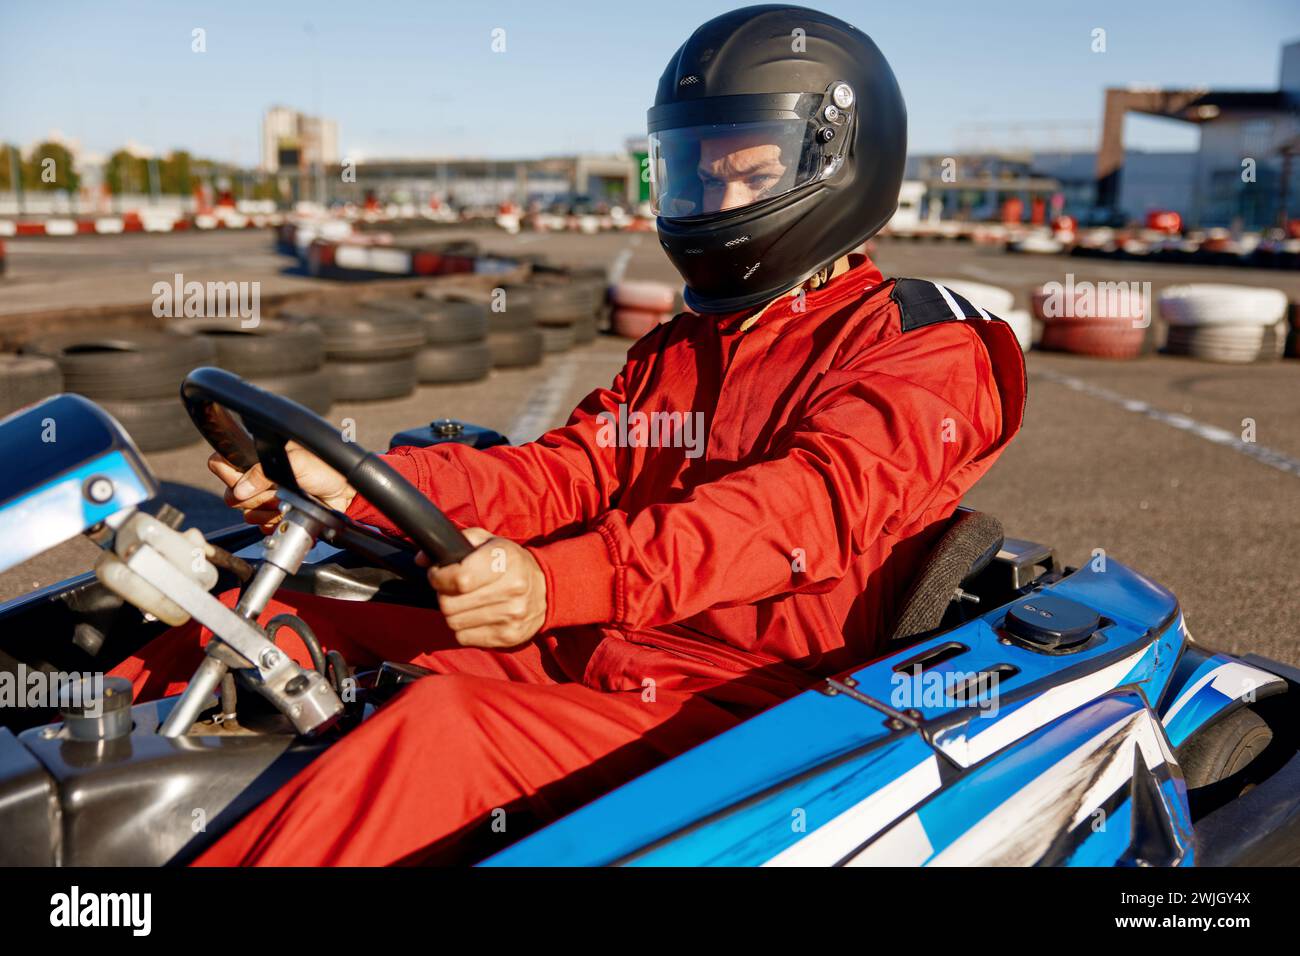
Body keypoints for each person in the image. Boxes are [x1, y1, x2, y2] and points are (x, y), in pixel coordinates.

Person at [110, 4, 1026, 865]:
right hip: (588, 653)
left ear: (840, 163)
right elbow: (564, 475)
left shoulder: (923, 345)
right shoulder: (684, 346)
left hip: (742, 712)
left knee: (436, 739)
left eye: (748, 172)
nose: (715, 193)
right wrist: (353, 483)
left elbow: (806, 508)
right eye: (699, 168)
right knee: (239, 626)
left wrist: (564, 580)